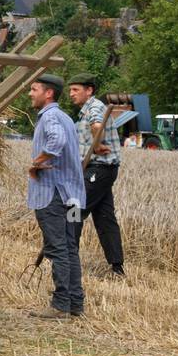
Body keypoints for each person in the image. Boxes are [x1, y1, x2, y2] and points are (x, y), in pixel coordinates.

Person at [27, 73, 85, 319]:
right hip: (73, 197)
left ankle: (61, 304)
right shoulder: (65, 117)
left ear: (48, 93)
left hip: (53, 195)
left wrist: (37, 162)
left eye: (34, 89)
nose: (30, 93)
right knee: (70, 247)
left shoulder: (49, 116)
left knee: (58, 248)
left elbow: (56, 141)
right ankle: (75, 303)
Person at [69, 73, 125, 278]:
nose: (71, 94)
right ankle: (117, 267)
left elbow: (96, 125)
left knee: (72, 209)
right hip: (101, 170)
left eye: (75, 90)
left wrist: (98, 141)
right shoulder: (84, 112)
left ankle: (68, 259)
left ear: (89, 90)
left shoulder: (95, 107)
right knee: (104, 218)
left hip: (99, 170)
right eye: (70, 90)